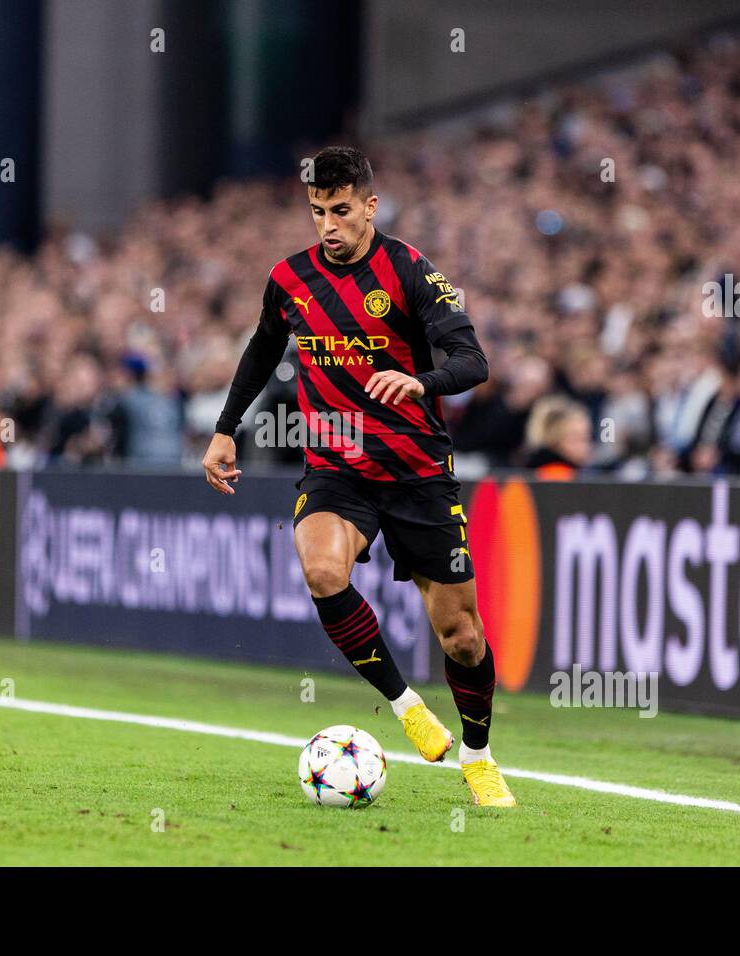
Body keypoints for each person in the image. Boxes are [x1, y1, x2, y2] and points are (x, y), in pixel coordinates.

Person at [201, 146, 514, 806]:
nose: (327, 225)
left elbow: (473, 361)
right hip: (336, 468)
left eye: (340, 211)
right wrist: (227, 426)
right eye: (317, 212)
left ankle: (479, 757)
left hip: (418, 471)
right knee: (320, 571)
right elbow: (262, 348)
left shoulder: (409, 272)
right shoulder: (290, 279)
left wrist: (419, 379)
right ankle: (405, 708)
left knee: (461, 637)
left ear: (370, 206)